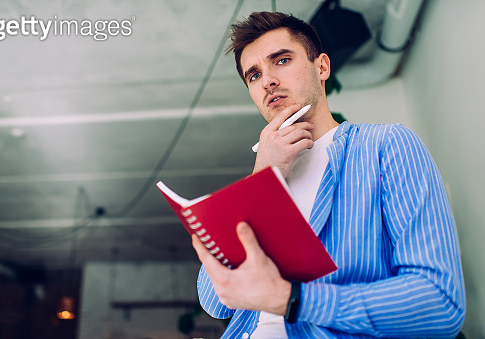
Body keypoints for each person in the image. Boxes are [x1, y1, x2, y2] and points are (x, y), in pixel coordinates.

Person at [191, 11, 465, 338]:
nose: (267, 80)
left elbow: (439, 302)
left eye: (281, 60)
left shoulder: (386, 145)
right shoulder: (263, 174)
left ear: (322, 67)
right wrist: (262, 179)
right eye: (254, 75)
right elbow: (215, 301)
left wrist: (294, 300)